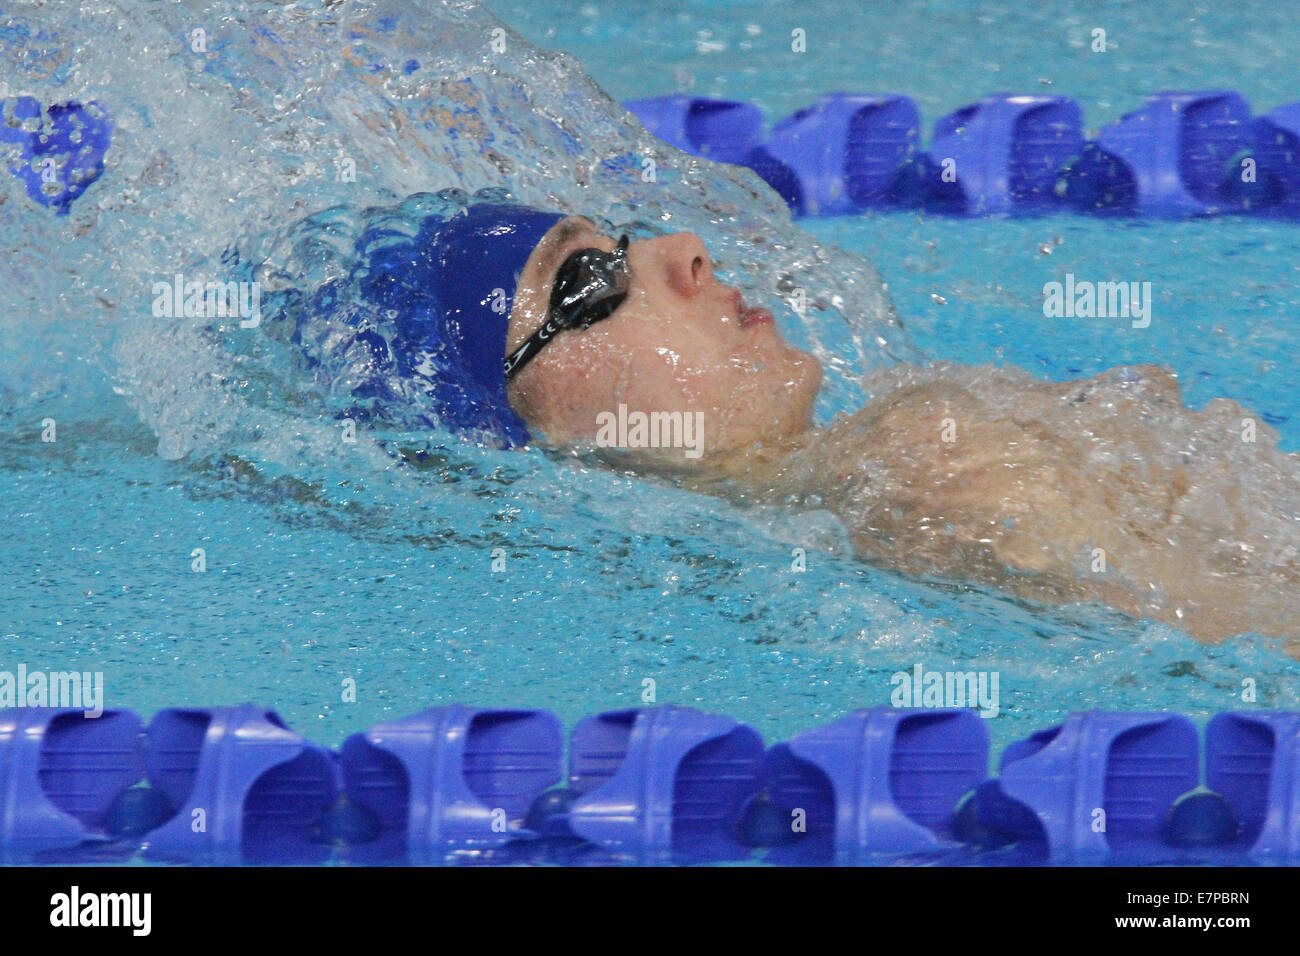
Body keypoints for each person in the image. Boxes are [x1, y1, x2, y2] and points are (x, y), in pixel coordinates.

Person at [309, 200, 1300, 646]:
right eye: (587, 281)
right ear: (528, 444)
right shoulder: (901, 469)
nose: (683, 250)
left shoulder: (921, 466)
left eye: (622, 239)